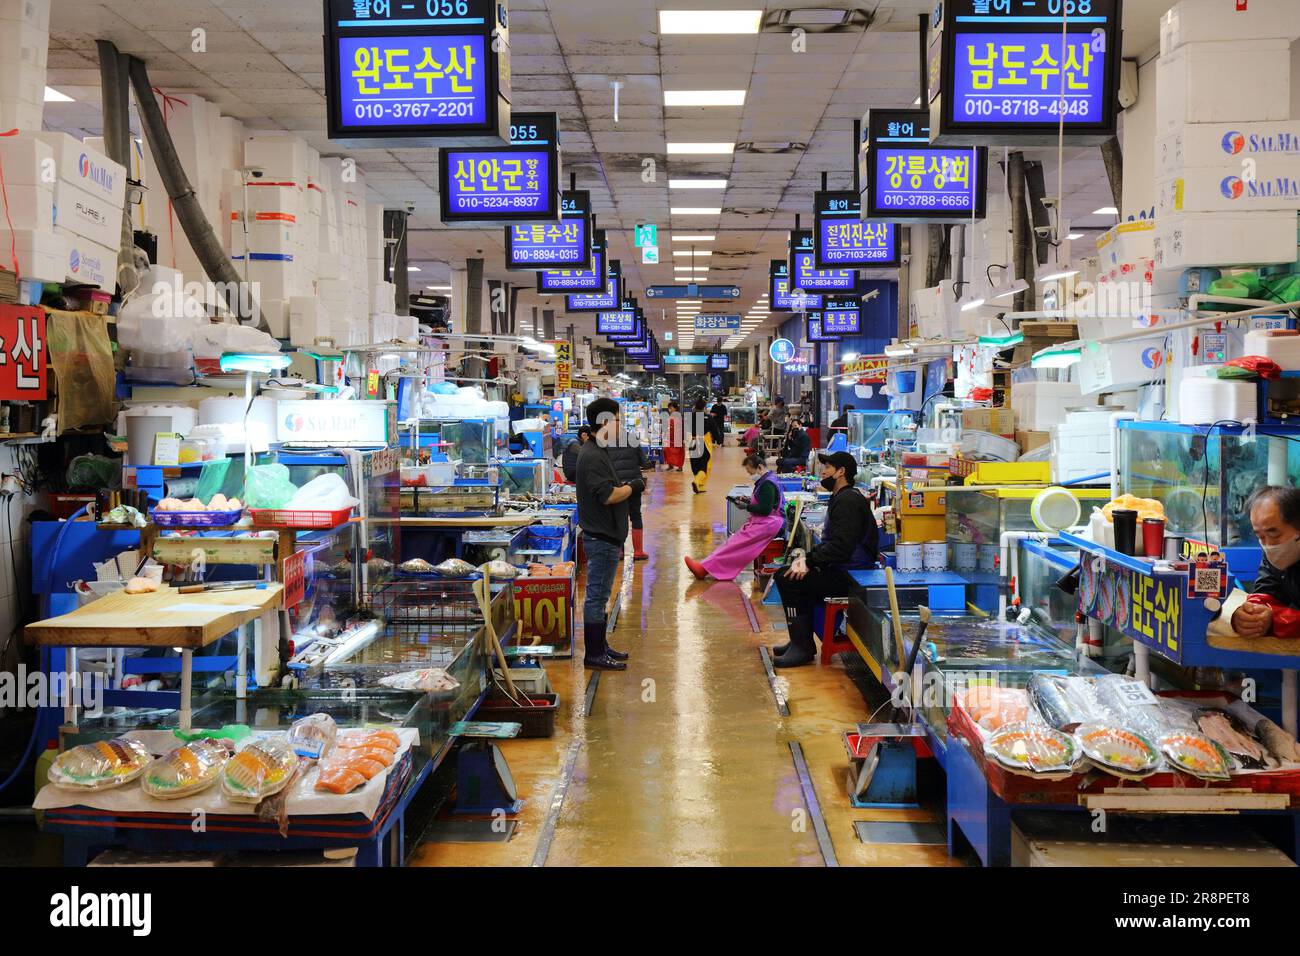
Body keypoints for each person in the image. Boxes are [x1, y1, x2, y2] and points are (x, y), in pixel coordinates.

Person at [772, 452, 879, 667]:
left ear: (841, 472)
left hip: (850, 576)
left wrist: (809, 562)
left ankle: (802, 647)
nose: (823, 471)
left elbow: (841, 548)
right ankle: (800, 640)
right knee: (786, 573)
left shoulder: (848, 500)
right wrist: (808, 559)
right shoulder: (842, 497)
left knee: (788, 579)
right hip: (841, 569)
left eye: (828, 467)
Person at [575, 397, 641, 670]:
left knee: (601, 595)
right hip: (601, 537)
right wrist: (633, 487)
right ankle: (594, 654)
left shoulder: (600, 450)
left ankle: (601, 646)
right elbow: (608, 495)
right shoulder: (592, 456)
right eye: (617, 420)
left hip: (607, 535)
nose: (620, 425)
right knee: (597, 596)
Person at [684, 454, 786, 581]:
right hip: (764, 522)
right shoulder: (765, 480)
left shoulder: (767, 484)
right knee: (732, 542)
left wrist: (746, 506)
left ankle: (704, 569)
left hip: (769, 524)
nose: (750, 475)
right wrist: (748, 501)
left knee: (736, 545)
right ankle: (705, 566)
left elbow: (765, 510)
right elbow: (765, 503)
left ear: (759, 467)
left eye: (750, 472)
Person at [1231, 485, 1300, 638]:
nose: (1268, 545)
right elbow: (1267, 591)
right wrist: (1251, 614)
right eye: (1260, 536)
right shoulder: (1273, 555)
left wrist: (1277, 620)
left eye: (1273, 533)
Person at [609, 418, 651, 561]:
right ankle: (638, 551)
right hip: (633, 483)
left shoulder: (605, 441)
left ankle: (619, 551)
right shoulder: (632, 438)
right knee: (635, 515)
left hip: (616, 485)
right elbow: (643, 462)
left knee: (618, 517)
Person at [686, 397, 714, 494]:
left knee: (695, 464)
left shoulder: (689, 416)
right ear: (704, 407)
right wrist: (719, 440)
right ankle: (697, 481)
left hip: (692, 442)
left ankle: (699, 487)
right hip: (703, 443)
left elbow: (686, 429)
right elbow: (714, 430)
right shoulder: (708, 417)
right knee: (704, 465)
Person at [663, 400, 685, 472]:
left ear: (675, 408)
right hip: (669, 437)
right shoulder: (670, 416)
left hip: (678, 437)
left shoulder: (679, 416)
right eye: (669, 408)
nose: (670, 409)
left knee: (678, 452)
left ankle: (680, 466)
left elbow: (683, 428)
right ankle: (670, 465)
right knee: (667, 450)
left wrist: (683, 438)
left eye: (671, 408)